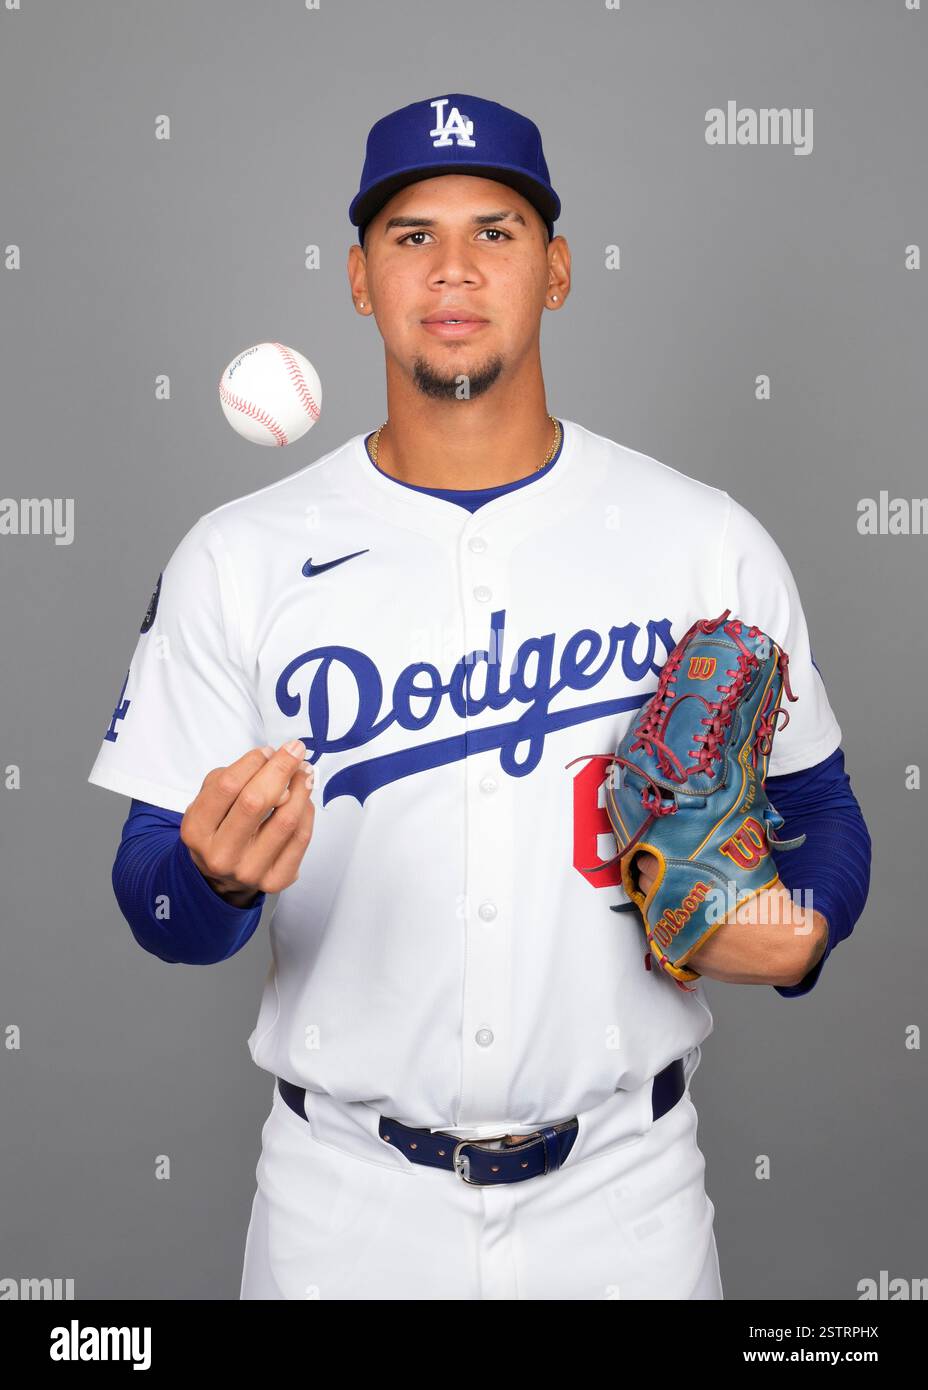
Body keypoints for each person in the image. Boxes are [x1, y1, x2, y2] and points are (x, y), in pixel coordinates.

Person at [88, 93, 871, 1301]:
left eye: (494, 232)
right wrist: (208, 880)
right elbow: (153, 899)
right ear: (360, 278)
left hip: (628, 1199)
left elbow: (824, 810)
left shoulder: (701, 536)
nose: (452, 269)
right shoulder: (237, 554)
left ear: (555, 270)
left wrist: (802, 930)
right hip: (341, 1209)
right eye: (411, 236)